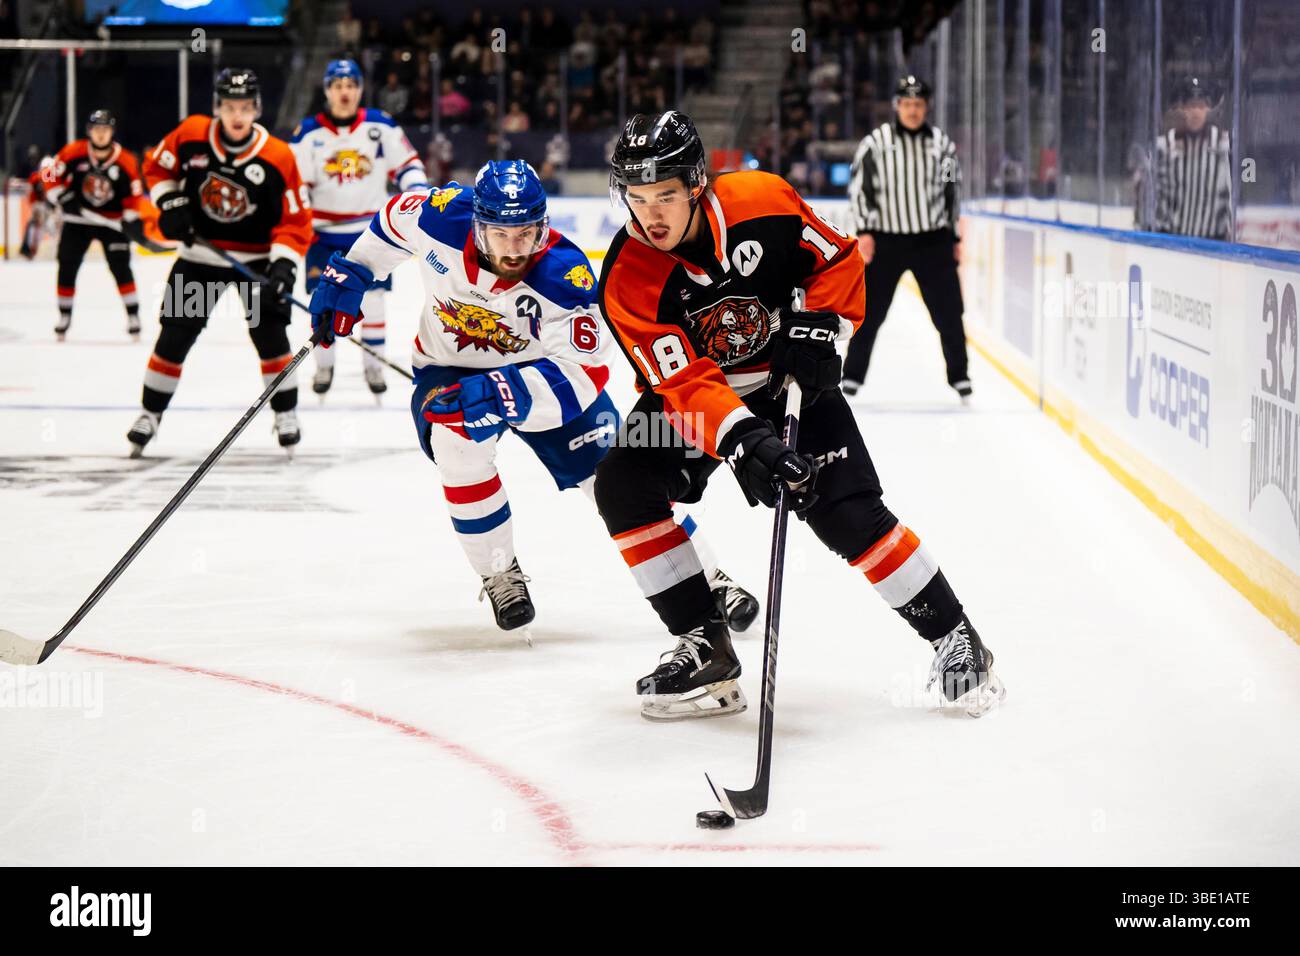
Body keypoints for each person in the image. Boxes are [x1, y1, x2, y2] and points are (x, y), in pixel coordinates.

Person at [594, 110, 1004, 720]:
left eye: (666, 196)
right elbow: (681, 381)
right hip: (703, 403)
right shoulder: (629, 277)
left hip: (791, 384)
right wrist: (745, 441)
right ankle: (705, 644)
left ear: (697, 185)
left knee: (847, 513)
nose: (650, 213)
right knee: (624, 487)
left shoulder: (764, 201)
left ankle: (955, 636)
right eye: (637, 196)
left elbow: (837, 261)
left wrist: (824, 328)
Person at [307, 160, 758, 633]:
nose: (516, 247)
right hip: (449, 368)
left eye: (527, 233)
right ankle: (501, 573)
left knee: (616, 483)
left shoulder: (567, 276)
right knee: (456, 447)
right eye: (502, 234)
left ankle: (707, 579)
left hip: (543, 380)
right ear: (478, 224)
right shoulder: (439, 217)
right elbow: (392, 218)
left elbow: (584, 373)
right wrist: (354, 273)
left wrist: (501, 391)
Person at [128, 68, 313, 457]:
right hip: (200, 258)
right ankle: (149, 413)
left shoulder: (278, 156)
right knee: (175, 336)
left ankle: (285, 413)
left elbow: (295, 219)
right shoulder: (192, 134)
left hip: (258, 262)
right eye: (230, 106)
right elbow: (157, 167)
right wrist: (170, 201)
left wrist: (284, 265)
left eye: (245, 107)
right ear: (218, 107)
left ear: (257, 108)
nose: (237, 115)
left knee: (271, 338)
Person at [290, 59, 430, 398]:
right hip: (324, 237)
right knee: (324, 304)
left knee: (376, 302)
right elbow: (296, 184)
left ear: (360, 90)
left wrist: (417, 194)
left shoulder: (380, 126)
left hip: (372, 235)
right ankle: (324, 367)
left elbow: (408, 164)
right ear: (327, 91)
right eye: (337, 86)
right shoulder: (308, 133)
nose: (345, 92)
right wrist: (301, 211)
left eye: (351, 85)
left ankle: (374, 365)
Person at [844, 76, 970, 402]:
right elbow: (860, 190)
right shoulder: (876, 142)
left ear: (926, 107)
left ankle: (960, 376)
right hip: (887, 241)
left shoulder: (941, 144)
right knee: (870, 314)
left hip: (932, 241)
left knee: (949, 313)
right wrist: (864, 232)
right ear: (897, 106)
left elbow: (951, 191)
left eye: (918, 104)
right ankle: (852, 375)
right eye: (907, 104)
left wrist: (953, 235)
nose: (913, 110)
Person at [42, 110, 144, 340]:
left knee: (121, 268)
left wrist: (131, 219)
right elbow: (47, 173)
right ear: (89, 132)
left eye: (105, 130)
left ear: (112, 132)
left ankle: (133, 315)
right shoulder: (73, 152)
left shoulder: (126, 161)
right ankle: (64, 315)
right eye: (96, 129)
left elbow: (134, 196)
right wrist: (59, 195)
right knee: (67, 266)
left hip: (112, 223)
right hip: (77, 220)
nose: (100, 134)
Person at [1150, 76, 1232, 241]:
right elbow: (1157, 192)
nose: (1196, 111)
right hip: (1174, 240)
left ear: (1208, 109)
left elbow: (1229, 192)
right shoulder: (1165, 143)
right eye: (1191, 106)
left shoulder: (1223, 143)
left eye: (1201, 106)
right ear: (1182, 109)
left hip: (1213, 241)